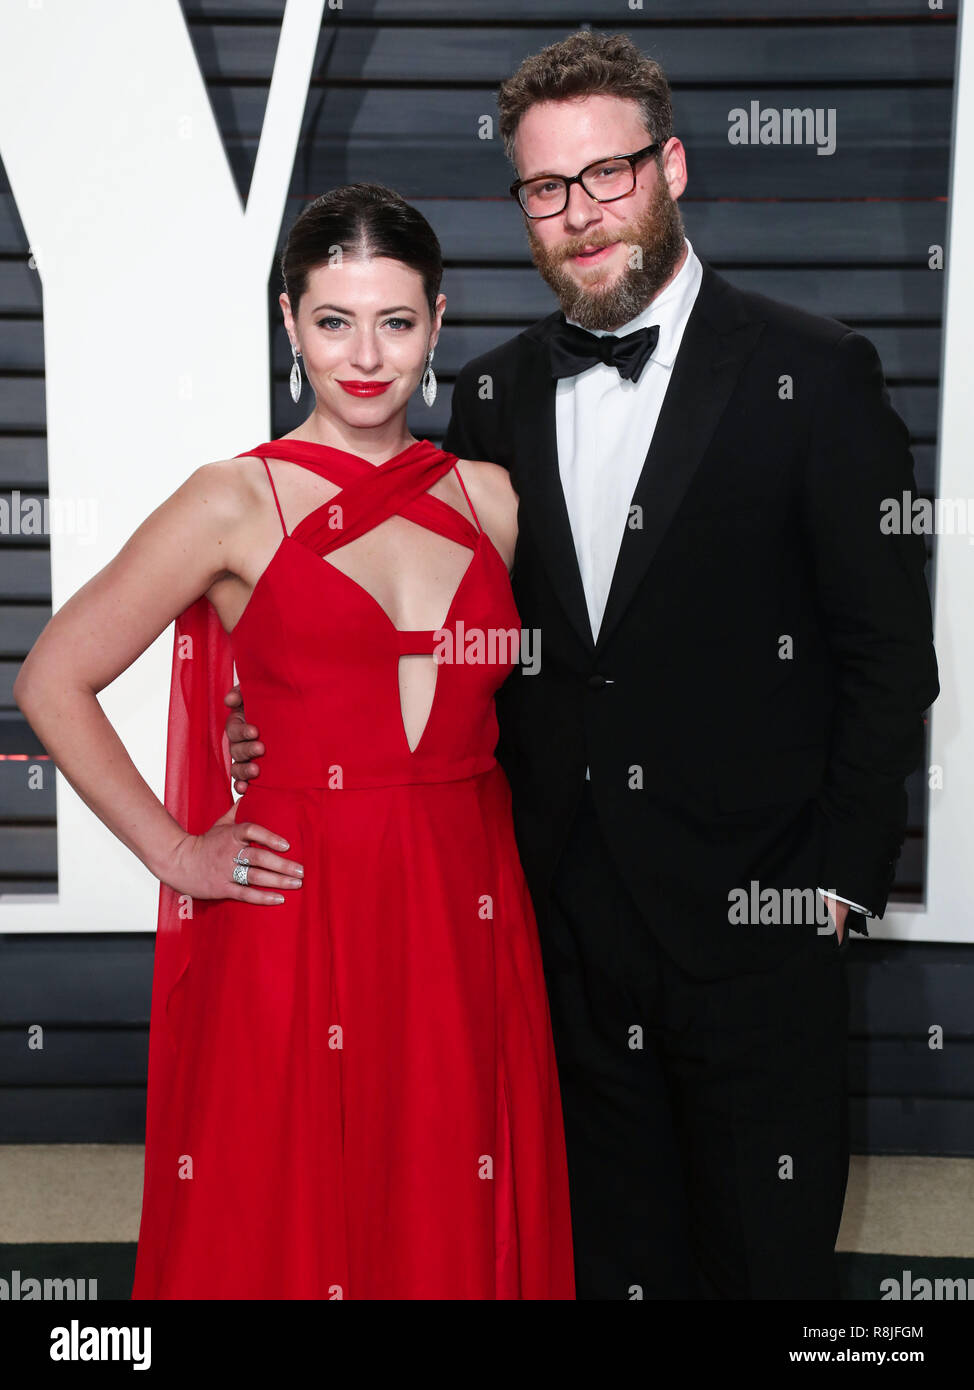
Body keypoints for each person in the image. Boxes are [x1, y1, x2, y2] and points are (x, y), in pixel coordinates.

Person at [228, 34, 939, 1300]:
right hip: (554, 918)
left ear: (668, 167)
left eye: (605, 175)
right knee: (601, 1258)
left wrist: (835, 882)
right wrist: (274, 725)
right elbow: (464, 646)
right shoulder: (493, 397)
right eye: (546, 189)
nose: (579, 212)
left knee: (762, 1266)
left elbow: (887, 655)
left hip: (755, 916)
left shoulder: (815, 371)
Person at [13, 182, 574, 1300]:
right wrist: (178, 852)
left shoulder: (495, 499)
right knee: (289, 1214)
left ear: (437, 322)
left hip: (463, 906)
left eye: (395, 321)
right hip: (299, 911)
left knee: (445, 1200)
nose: (365, 355)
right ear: (289, 323)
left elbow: (562, 703)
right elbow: (52, 677)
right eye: (333, 321)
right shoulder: (232, 500)